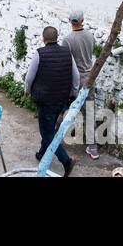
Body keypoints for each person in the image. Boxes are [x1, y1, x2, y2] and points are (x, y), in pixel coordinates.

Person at [23, 26, 79, 176]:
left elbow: (29, 78)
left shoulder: (39, 54)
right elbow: (76, 77)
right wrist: (73, 93)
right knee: (50, 127)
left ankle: (66, 161)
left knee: (46, 132)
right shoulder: (68, 53)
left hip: (46, 101)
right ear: (57, 38)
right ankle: (42, 154)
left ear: (43, 38)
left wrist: (27, 91)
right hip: (62, 99)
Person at [59, 11, 97, 159]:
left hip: (74, 79)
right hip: (89, 77)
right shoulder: (89, 35)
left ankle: (55, 138)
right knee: (90, 111)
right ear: (82, 20)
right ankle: (93, 147)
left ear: (70, 21)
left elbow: (66, 61)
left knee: (64, 107)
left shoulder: (67, 40)